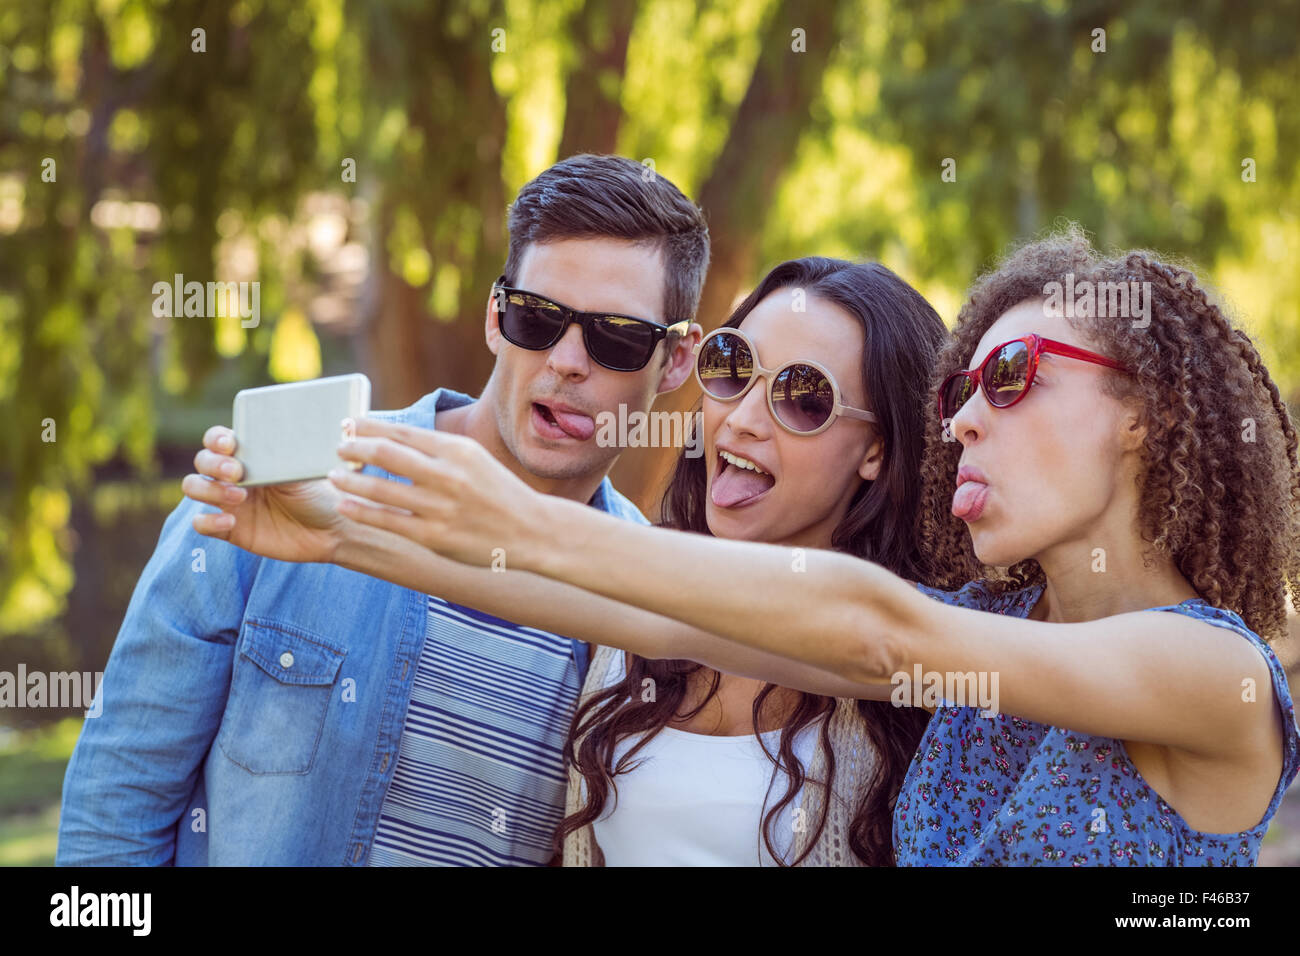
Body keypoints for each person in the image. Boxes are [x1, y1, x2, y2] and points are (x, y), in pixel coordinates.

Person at [322, 228, 1300, 865]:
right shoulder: (988, 628)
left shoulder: (1214, 670)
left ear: (1143, 411)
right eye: (955, 392)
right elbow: (656, 614)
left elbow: (875, 625)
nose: (962, 419)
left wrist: (525, 517)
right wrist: (340, 530)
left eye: (1009, 375)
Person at [56, 153, 709, 866]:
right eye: (537, 318)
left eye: (616, 337)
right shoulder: (283, 486)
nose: (567, 361)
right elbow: (113, 813)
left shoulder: (649, 612)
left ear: (675, 364)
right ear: (496, 316)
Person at [188, 257, 949, 865]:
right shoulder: (638, 647)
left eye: (805, 398)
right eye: (733, 366)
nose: (745, 419)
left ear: (879, 448)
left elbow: (837, 625)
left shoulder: (921, 662)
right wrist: (336, 533)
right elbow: (547, 592)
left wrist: (508, 516)